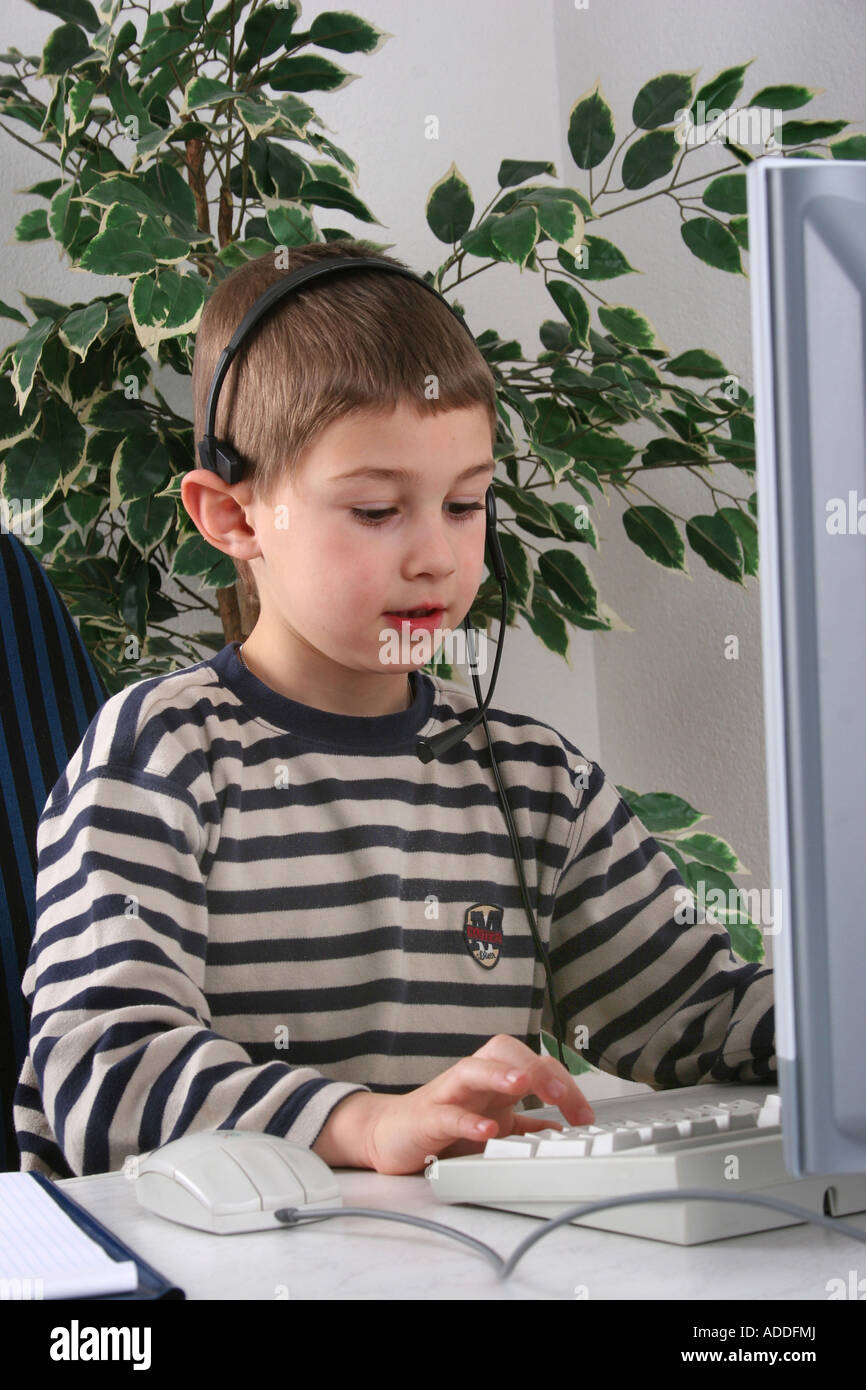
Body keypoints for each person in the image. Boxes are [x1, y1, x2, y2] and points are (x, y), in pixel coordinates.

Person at [14, 238, 775, 1181]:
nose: (436, 558)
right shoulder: (159, 755)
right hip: (178, 1255)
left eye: (465, 504)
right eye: (377, 511)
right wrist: (366, 1125)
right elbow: (106, 1075)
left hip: (435, 1248)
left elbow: (698, 1010)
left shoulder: (535, 784)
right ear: (235, 518)